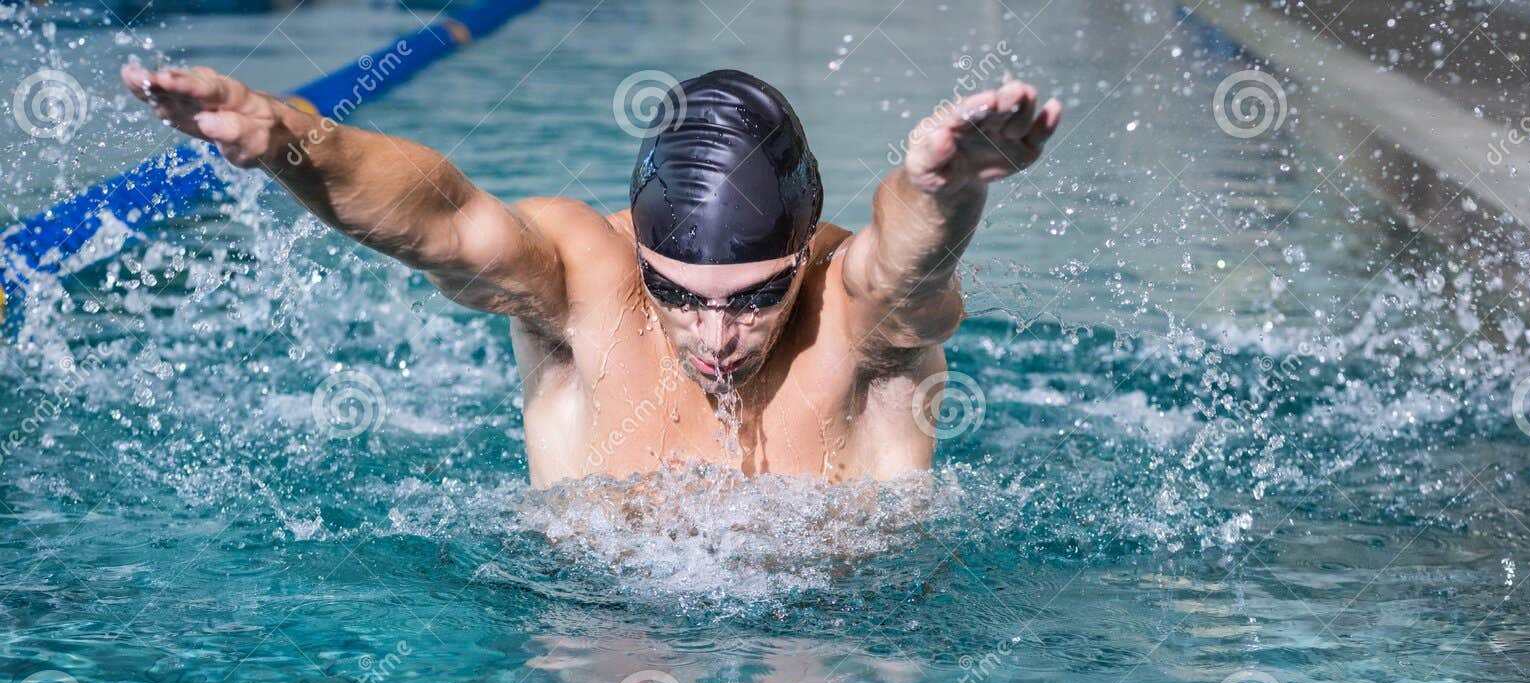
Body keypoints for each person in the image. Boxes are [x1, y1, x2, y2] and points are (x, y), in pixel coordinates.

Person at [121, 63, 1060, 486]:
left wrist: (940, 186)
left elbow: (905, 264)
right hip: (600, 644)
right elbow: (448, 221)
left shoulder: (849, 314)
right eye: (678, 294)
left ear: (804, 247)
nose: (715, 335)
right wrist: (293, 141)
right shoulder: (586, 283)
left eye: (757, 296)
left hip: (844, 651)